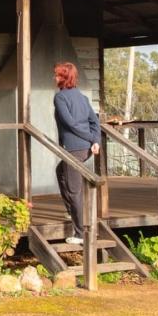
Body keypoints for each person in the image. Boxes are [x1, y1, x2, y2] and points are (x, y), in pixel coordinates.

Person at [52, 61, 100, 244]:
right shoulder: (82, 97)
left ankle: (80, 234)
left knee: (74, 190)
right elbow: (95, 121)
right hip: (85, 148)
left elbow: (69, 123)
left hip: (75, 148)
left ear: (64, 78)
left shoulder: (60, 97)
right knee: (60, 172)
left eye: (57, 75)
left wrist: (90, 138)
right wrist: (95, 140)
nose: (55, 77)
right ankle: (71, 210)